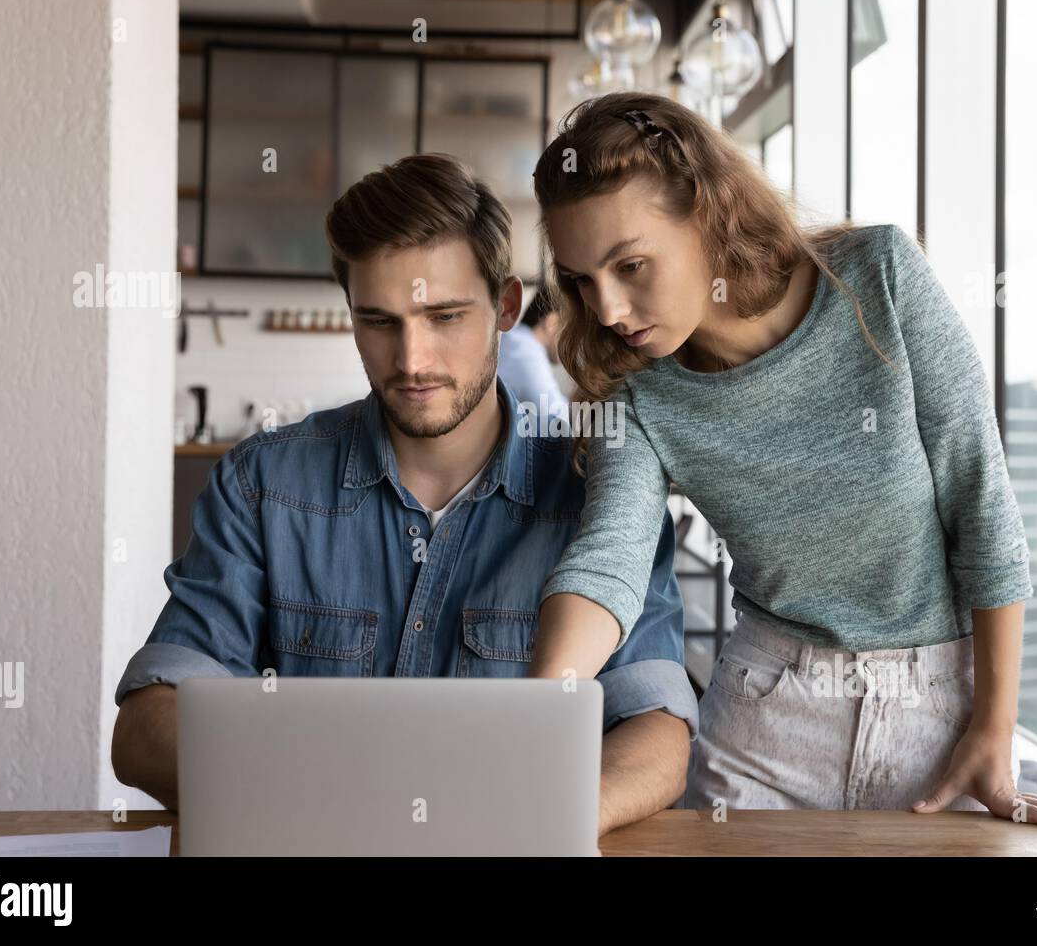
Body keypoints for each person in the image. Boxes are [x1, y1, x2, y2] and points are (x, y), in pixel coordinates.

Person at [523, 92, 1037, 831]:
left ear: (706, 214)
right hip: (764, 718)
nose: (605, 309)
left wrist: (994, 724)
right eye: (579, 280)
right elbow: (611, 556)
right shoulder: (632, 388)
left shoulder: (879, 279)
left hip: (941, 719)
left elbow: (980, 500)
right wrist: (539, 714)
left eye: (630, 265)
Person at [111, 153, 696, 837]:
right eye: (380, 322)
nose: (412, 360)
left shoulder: (596, 495)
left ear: (505, 307)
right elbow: (146, 725)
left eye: (444, 316)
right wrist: (336, 807)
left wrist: (545, 818)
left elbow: (658, 730)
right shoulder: (261, 486)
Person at [498, 285, 570, 422]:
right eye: (573, 334)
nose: (576, 346)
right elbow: (558, 421)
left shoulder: (516, 341)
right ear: (552, 323)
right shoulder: (523, 350)